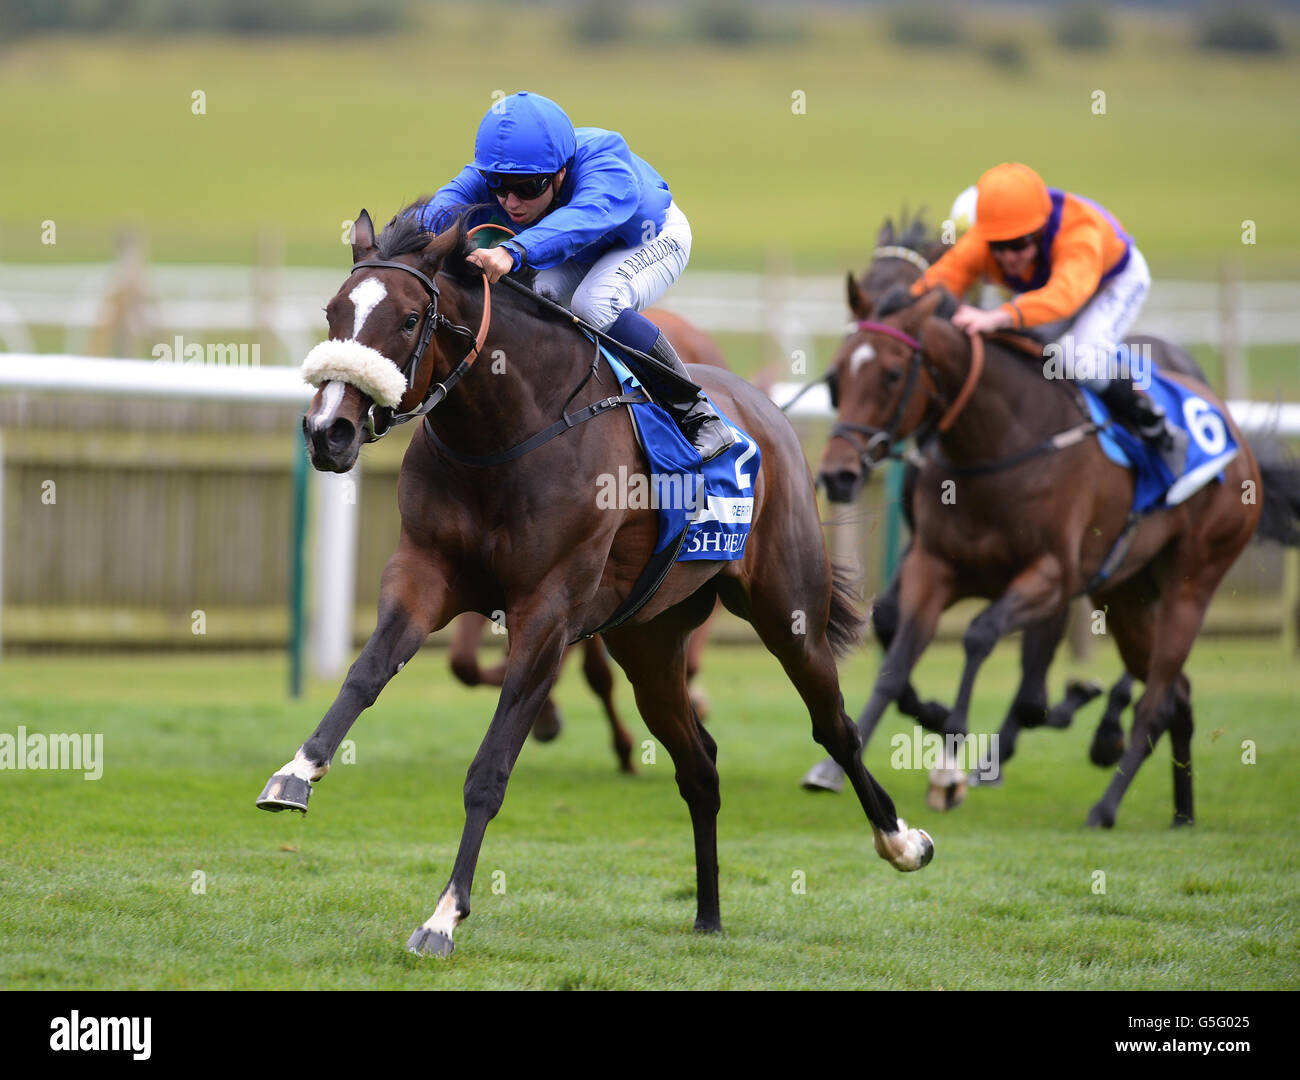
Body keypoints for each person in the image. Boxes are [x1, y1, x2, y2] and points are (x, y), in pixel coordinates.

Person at [412, 91, 735, 462]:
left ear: (561, 172)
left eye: (528, 187)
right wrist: (395, 246)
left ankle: (696, 412)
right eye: (498, 184)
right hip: (577, 245)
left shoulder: (606, 163)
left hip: (648, 237)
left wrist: (512, 251)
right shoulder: (504, 169)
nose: (511, 201)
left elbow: (584, 219)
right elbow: (436, 212)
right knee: (536, 295)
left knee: (594, 303)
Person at [912, 162, 1183, 468]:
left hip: (1111, 283)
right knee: (1011, 352)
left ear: (1040, 231)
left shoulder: (1079, 231)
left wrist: (999, 316)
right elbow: (940, 279)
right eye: (998, 247)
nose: (1008, 257)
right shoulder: (986, 240)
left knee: (1081, 358)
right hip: (1053, 289)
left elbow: (1066, 296)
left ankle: (1153, 423)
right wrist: (896, 313)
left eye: (1018, 245)